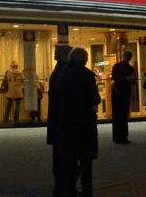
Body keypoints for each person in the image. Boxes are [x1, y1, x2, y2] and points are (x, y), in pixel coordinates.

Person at [56, 47, 100, 197]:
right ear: (83, 59)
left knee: (70, 158)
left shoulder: (63, 74)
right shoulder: (87, 75)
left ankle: (69, 188)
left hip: (68, 120)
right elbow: (95, 99)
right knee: (86, 160)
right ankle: (87, 190)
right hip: (84, 121)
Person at [47, 45, 73, 197]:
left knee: (60, 154)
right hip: (62, 119)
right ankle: (64, 186)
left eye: (56, 51)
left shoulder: (60, 70)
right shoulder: (65, 70)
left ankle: (61, 186)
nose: (54, 53)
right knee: (65, 154)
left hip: (58, 118)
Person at [110, 50, 137, 144]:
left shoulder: (118, 66)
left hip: (118, 91)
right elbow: (133, 81)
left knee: (118, 114)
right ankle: (122, 137)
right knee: (123, 114)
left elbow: (113, 77)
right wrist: (128, 79)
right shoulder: (129, 68)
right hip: (123, 91)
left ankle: (117, 137)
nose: (127, 57)